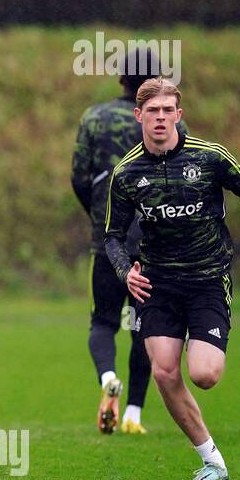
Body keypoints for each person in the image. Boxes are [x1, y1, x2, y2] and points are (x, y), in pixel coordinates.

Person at [104, 78, 240, 480]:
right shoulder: (127, 173)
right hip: (157, 283)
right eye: (153, 112)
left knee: (204, 375)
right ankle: (212, 461)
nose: (161, 118)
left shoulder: (210, 157)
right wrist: (124, 270)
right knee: (164, 371)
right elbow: (112, 236)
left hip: (207, 279)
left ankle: (199, 340)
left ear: (179, 115)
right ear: (139, 116)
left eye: (168, 111)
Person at [71, 48, 168, 434]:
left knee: (103, 322)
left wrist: (100, 216)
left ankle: (108, 376)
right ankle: (133, 415)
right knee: (143, 326)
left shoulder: (94, 118)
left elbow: (79, 178)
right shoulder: (168, 121)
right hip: (152, 246)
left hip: (107, 242)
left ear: (120, 79)